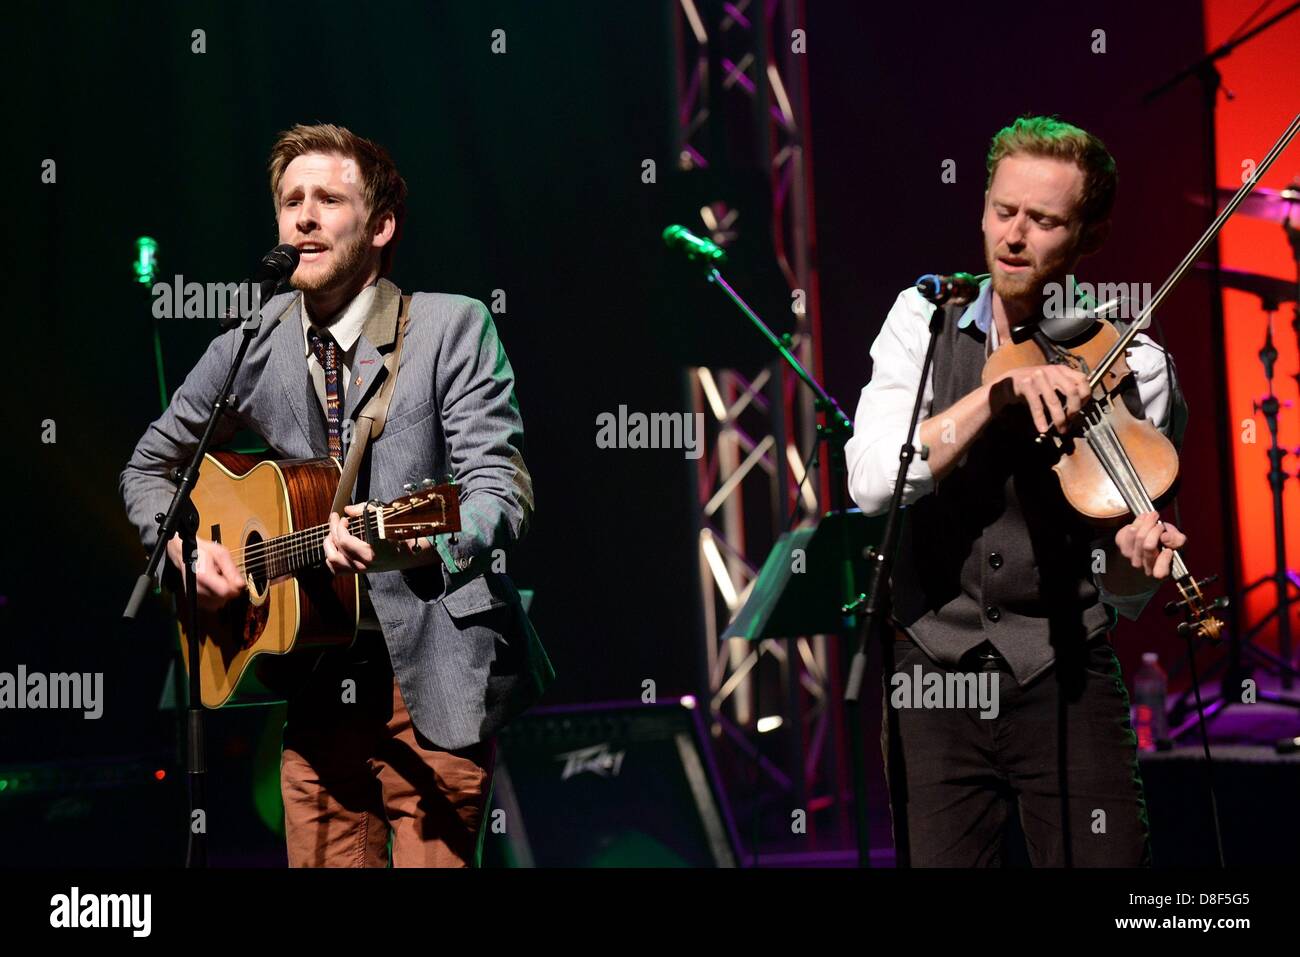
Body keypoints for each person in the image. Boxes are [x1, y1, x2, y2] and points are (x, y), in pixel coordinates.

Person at [121, 123, 553, 867]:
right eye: (292, 201)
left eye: (328, 198)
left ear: (381, 226)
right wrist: (190, 555)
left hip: (430, 680)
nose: (305, 216)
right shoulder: (249, 343)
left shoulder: (452, 326)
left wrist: (427, 538)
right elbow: (148, 469)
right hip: (312, 683)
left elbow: (498, 486)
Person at [845, 115, 1188, 867]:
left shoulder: (1135, 364)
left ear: (1089, 236)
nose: (1015, 235)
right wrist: (993, 397)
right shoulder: (923, 320)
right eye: (1004, 210)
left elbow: (1124, 586)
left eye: (1045, 220)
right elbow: (871, 482)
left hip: (1064, 673)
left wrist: (1134, 556)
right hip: (935, 679)